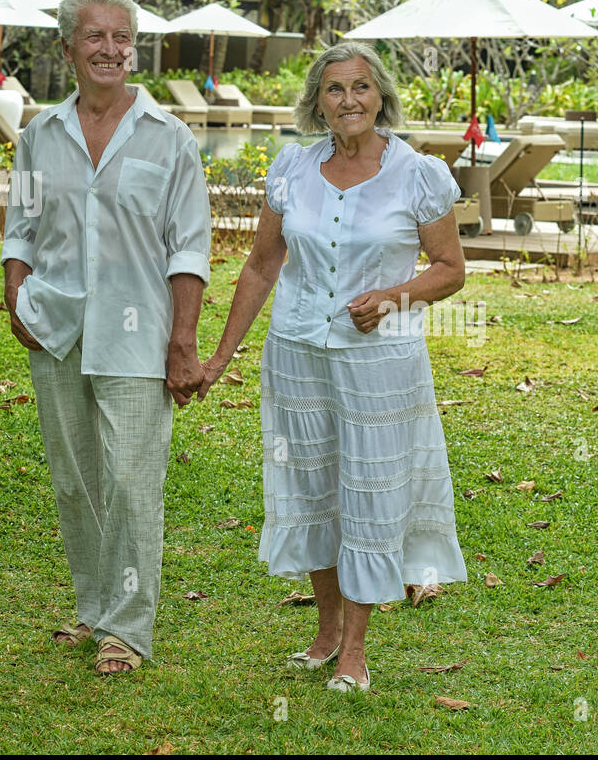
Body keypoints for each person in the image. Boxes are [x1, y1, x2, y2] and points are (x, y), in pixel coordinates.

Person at [196, 41, 468, 692]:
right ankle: (324, 633)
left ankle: (355, 649)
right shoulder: (292, 167)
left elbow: (451, 269)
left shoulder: (417, 173)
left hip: (380, 362)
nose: (349, 101)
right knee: (311, 490)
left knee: (368, 496)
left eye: (361, 88)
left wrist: (393, 296)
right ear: (317, 101)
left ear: (381, 97)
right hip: (295, 353)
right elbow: (263, 264)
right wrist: (218, 356)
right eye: (335, 89)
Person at [0, 0, 211, 674]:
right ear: (68, 48)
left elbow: (190, 246)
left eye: (123, 37)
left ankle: (128, 627)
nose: (111, 49)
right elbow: (21, 226)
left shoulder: (168, 136)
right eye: (96, 37)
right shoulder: (40, 134)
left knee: (130, 478)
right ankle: (93, 608)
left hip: (138, 330)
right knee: (75, 477)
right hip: (55, 324)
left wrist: (183, 341)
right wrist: (15, 294)